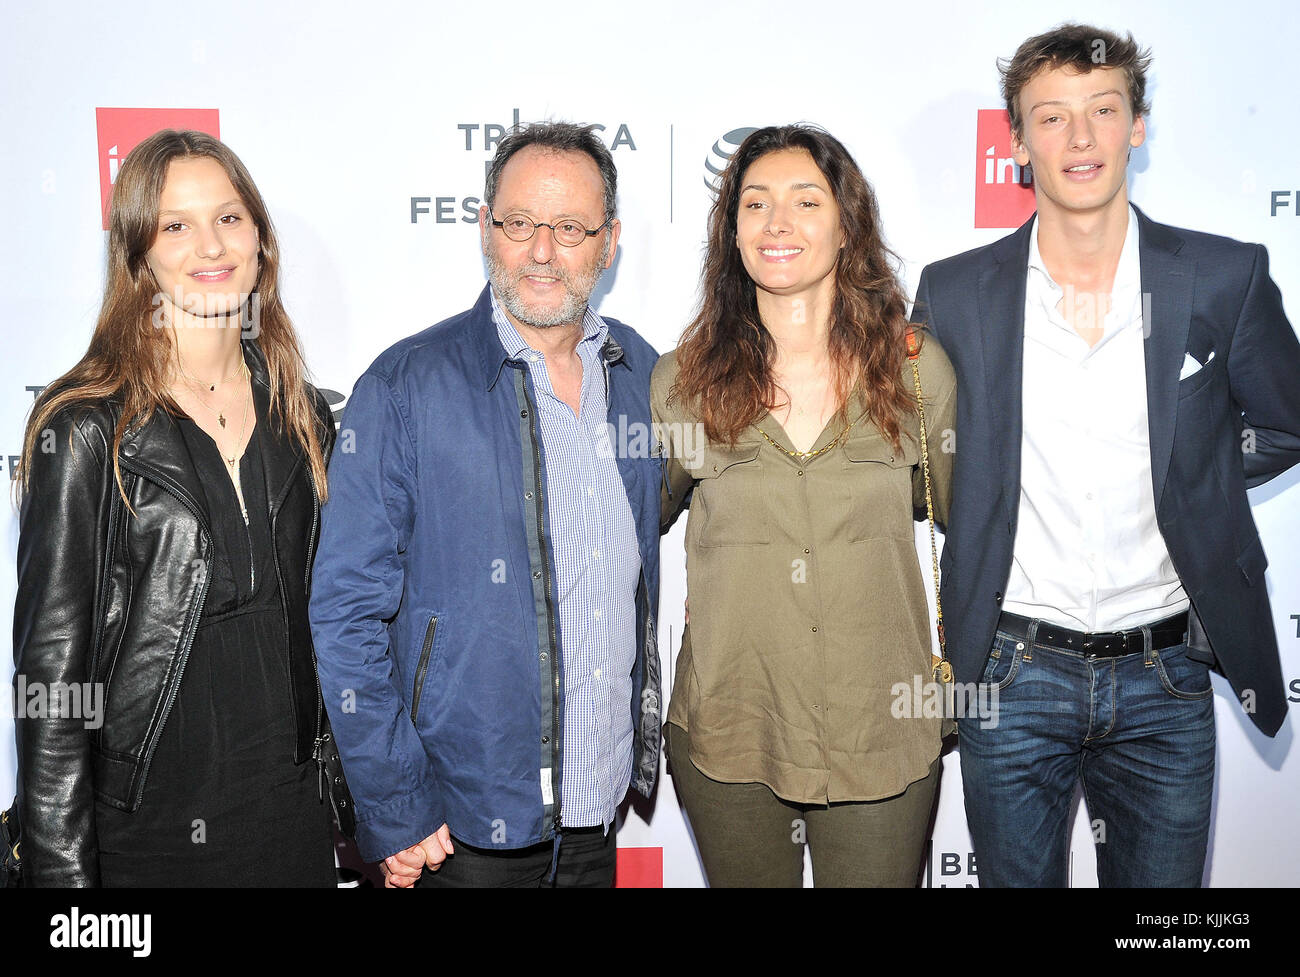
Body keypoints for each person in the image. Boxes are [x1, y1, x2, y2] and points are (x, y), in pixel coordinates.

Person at [912, 24, 1300, 887]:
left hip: (1164, 679)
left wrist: (1193, 476)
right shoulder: (956, 291)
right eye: (1051, 118)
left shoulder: (1221, 277)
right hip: (1008, 675)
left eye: (1103, 110)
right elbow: (925, 455)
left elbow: (1286, 422)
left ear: (1139, 126)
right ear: (1015, 140)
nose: (1079, 138)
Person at [309, 121, 662, 888]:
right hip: (458, 829)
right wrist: (396, 801)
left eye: (570, 228)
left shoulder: (642, 376)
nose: (542, 250)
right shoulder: (405, 387)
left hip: (596, 816)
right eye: (519, 223)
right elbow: (344, 611)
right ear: (484, 228)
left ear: (609, 242)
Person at [13, 129, 346, 887]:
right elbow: (52, 682)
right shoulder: (88, 430)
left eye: (230, 218)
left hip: (293, 820)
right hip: (146, 836)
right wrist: (65, 885)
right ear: (139, 255)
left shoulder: (303, 415)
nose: (211, 245)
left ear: (261, 240)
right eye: (176, 225)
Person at [653, 124, 956, 887]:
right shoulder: (680, 383)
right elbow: (628, 529)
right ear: (732, 231)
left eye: (804, 201)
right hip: (732, 733)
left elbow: (970, 524)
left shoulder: (917, 371)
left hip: (883, 730)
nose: (777, 223)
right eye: (754, 203)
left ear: (846, 223)